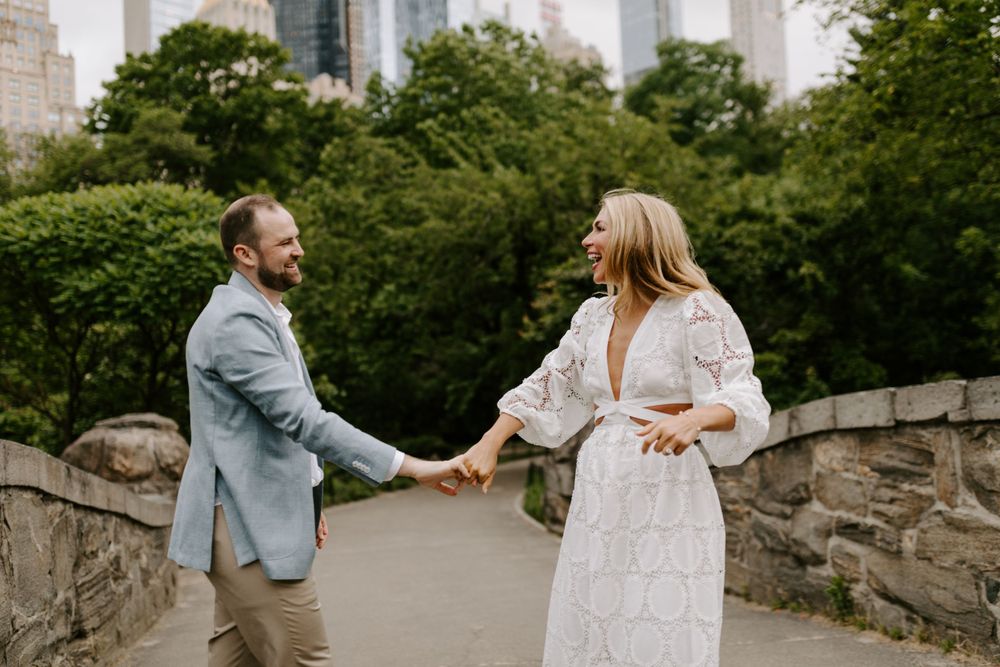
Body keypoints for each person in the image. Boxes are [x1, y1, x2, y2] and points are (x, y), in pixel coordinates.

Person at [463, 190, 770, 666]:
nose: (588, 239)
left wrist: (693, 418)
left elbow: (743, 397)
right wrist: (490, 442)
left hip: (669, 488)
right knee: (593, 623)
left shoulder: (698, 309)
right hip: (601, 487)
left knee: (659, 627)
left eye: (600, 228)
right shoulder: (592, 317)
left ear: (636, 236)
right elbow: (549, 384)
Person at [168, 194, 469, 666]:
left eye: (298, 237)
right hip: (247, 527)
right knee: (308, 659)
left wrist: (307, 497)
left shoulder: (261, 314)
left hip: (251, 519)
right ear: (245, 254)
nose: (299, 249)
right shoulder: (235, 322)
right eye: (285, 241)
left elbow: (275, 427)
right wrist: (410, 467)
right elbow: (304, 420)